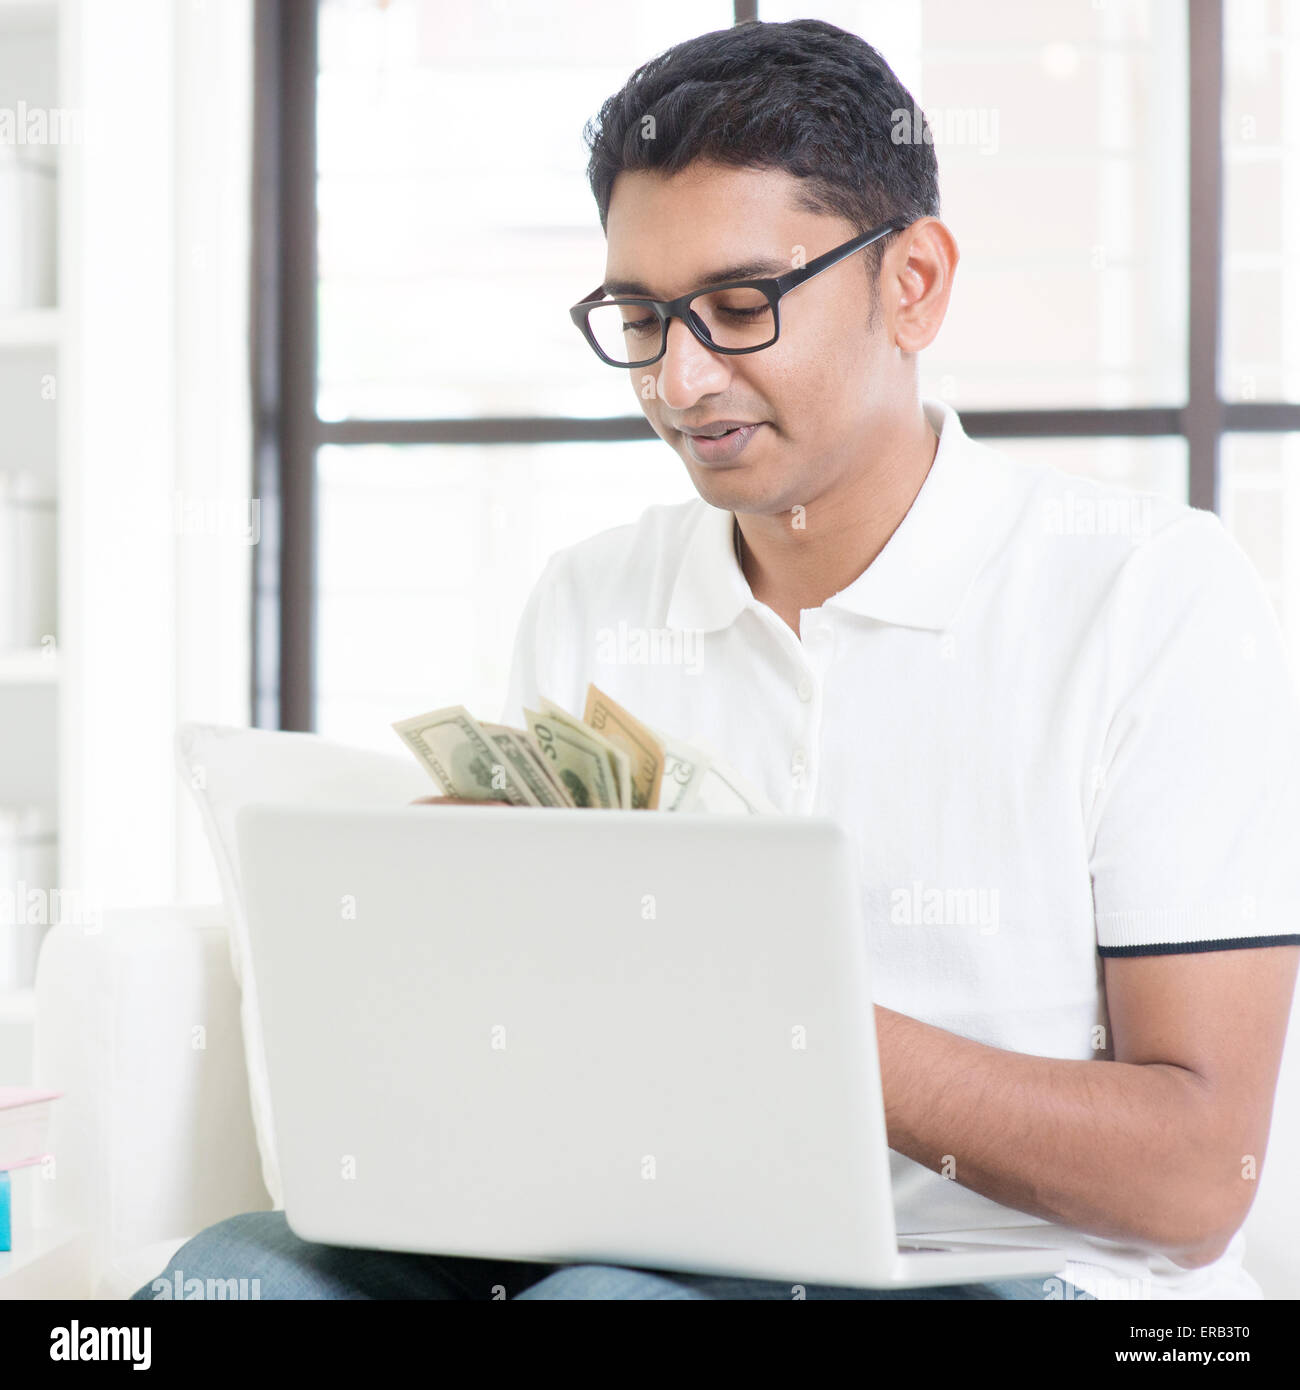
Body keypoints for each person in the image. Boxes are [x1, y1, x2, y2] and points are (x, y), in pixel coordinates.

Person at [133, 16, 1299, 1301]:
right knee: (223, 1277)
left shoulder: (1149, 598)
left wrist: (773, 1020)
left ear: (910, 283)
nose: (680, 380)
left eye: (740, 307)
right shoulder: (594, 598)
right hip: (644, 1241)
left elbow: (1196, 1184)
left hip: (1015, 1277)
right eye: (638, 317)